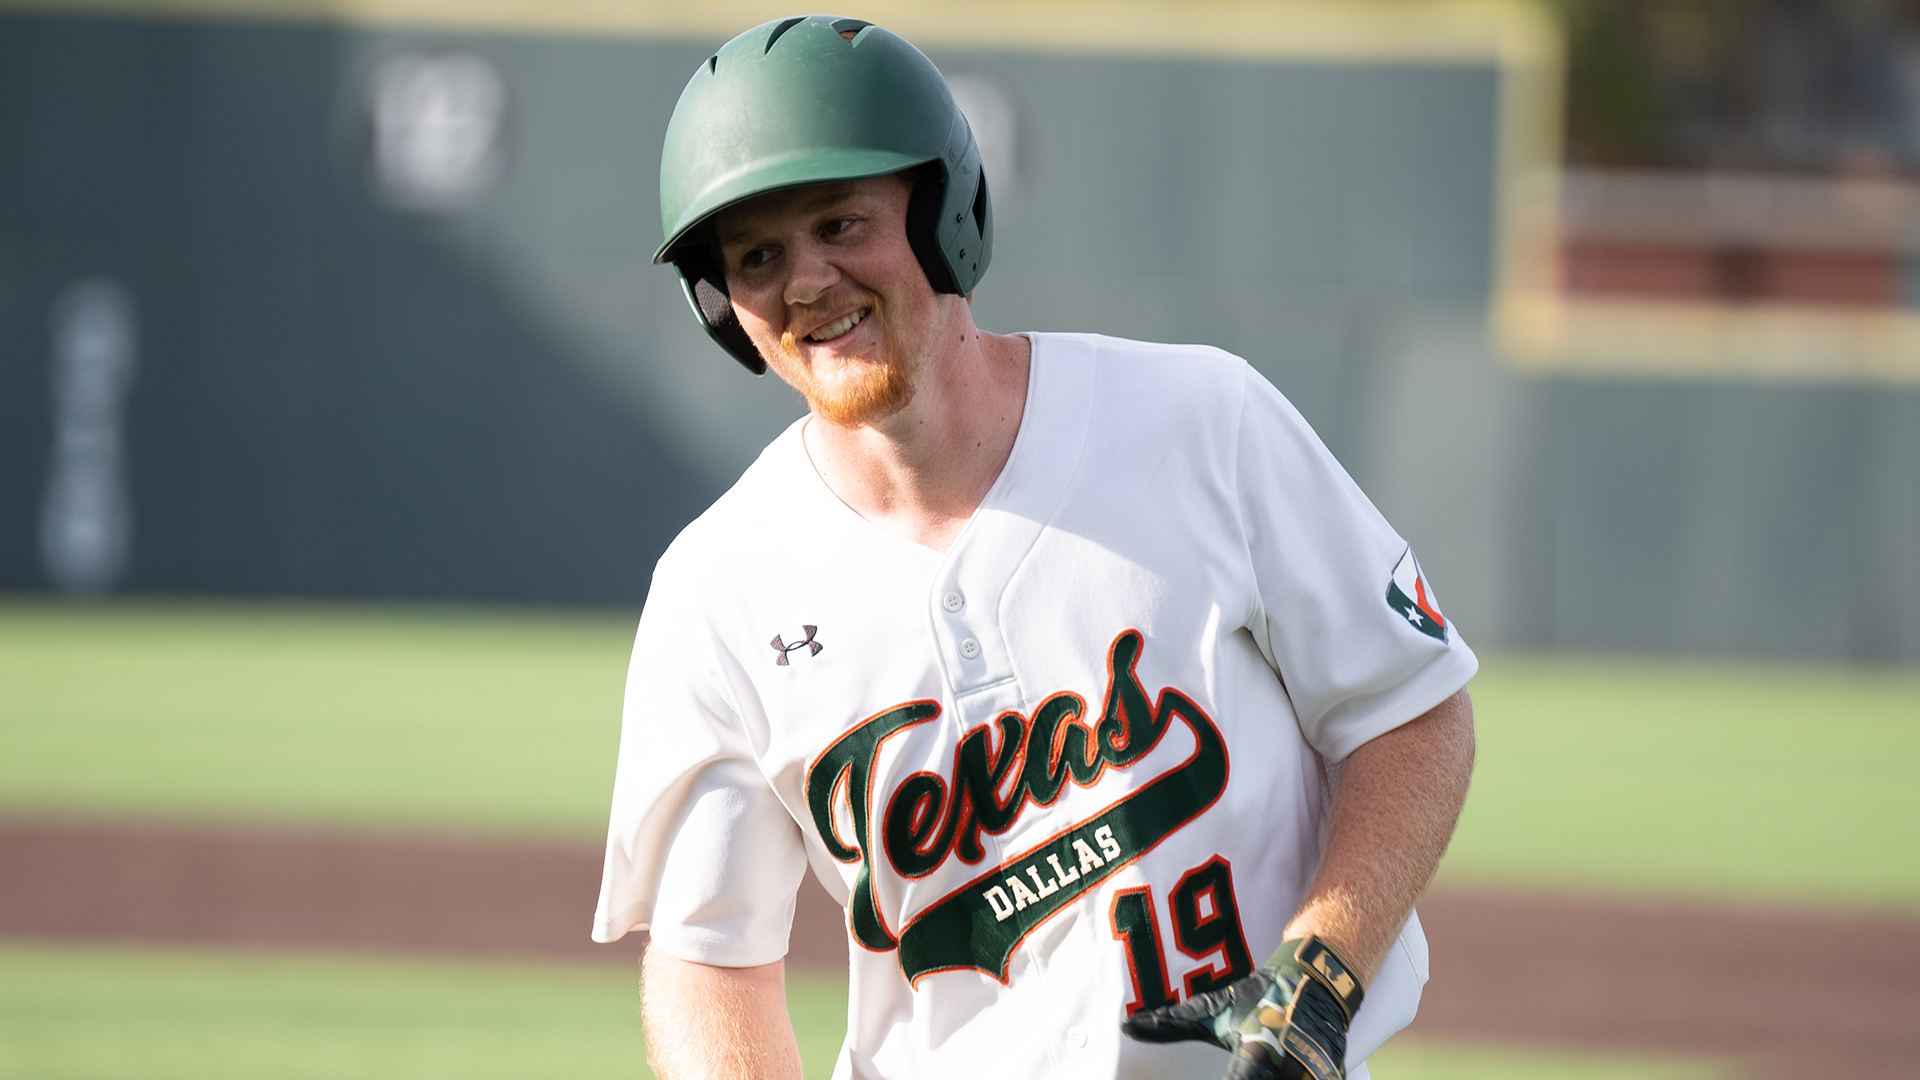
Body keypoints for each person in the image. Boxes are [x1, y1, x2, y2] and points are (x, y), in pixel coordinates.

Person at [592, 16, 1476, 1080]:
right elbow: (708, 960)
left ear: (943, 216)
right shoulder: (717, 589)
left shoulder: (1199, 420)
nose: (808, 281)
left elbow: (1410, 711)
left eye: (841, 222)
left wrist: (1317, 987)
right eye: (757, 256)